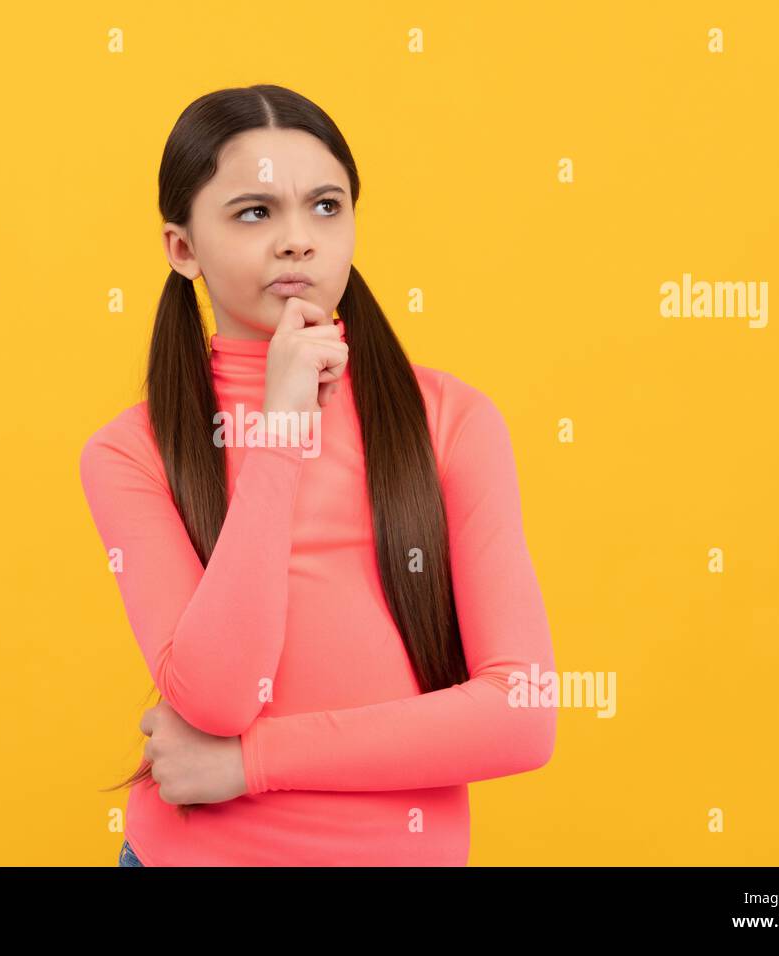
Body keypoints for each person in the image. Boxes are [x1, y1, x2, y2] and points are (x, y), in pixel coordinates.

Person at [81, 84, 556, 867]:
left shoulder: (453, 420)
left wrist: (248, 764)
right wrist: (283, 431)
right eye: (255, 212)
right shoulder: (129, 452)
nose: (298, 240)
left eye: (326, 206)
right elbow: (219, 695)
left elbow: (523, 715)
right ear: (183, 249)